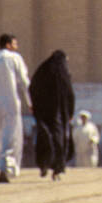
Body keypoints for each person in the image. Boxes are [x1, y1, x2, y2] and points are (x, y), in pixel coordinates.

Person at [29, 50, 74, 180]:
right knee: (58, 139)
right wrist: (70, 112)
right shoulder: (63, 73)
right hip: (58, 113)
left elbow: (32, 88)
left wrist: (34, 106)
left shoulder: (42, 71)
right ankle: (57, 169)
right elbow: (70, 93)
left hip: (43, 112)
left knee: (44, 137)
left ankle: (44, 164)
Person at [0, 33, 31, 183]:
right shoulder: (14, 58)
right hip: (10, 103)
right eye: (15, 44)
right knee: (10, 136)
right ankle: (5, 168)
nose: (17, 47)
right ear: (9, 45)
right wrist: (31, 102)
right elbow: (24, 82)